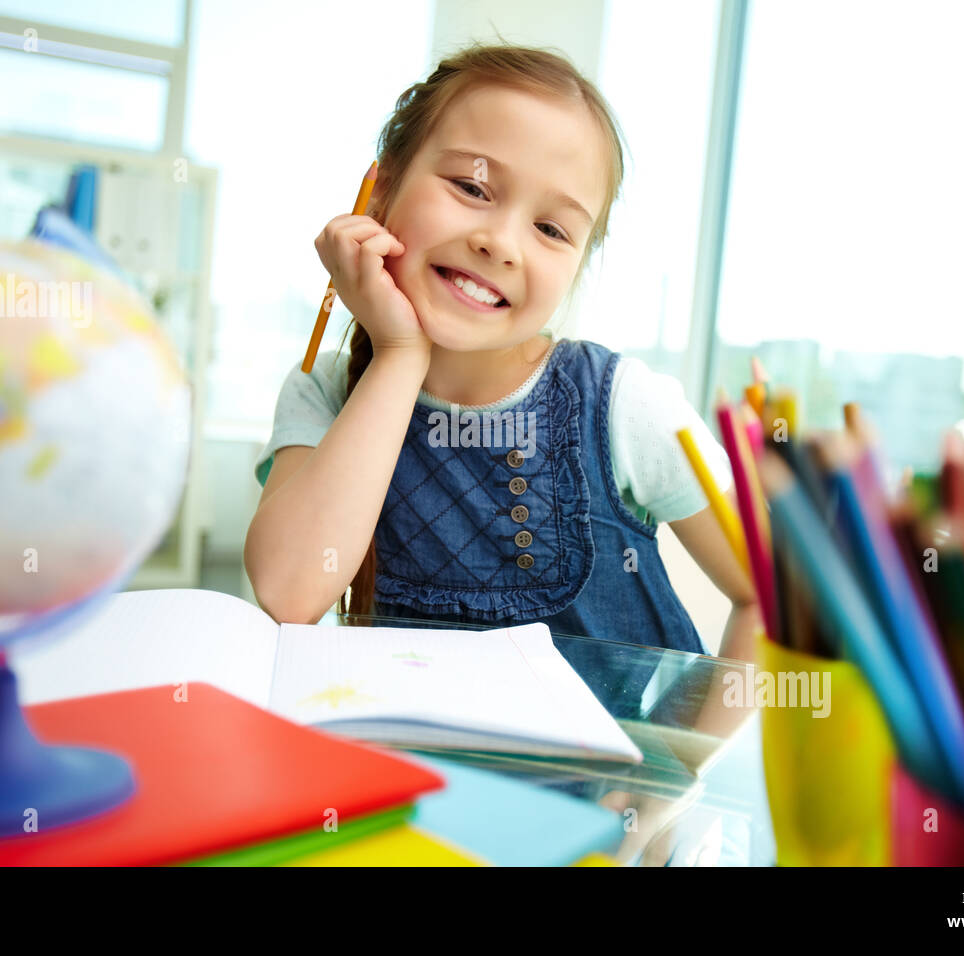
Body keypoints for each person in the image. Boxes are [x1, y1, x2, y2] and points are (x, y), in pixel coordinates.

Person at [245, 42, 760, 677]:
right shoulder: (323, 395)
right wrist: (401, 355)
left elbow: (767, 599)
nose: (502, 243)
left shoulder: (624, 406)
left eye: (551, 229)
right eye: (472, 186)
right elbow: (290, 591)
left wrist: (681, 767)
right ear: (377, 194)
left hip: (614, 774)